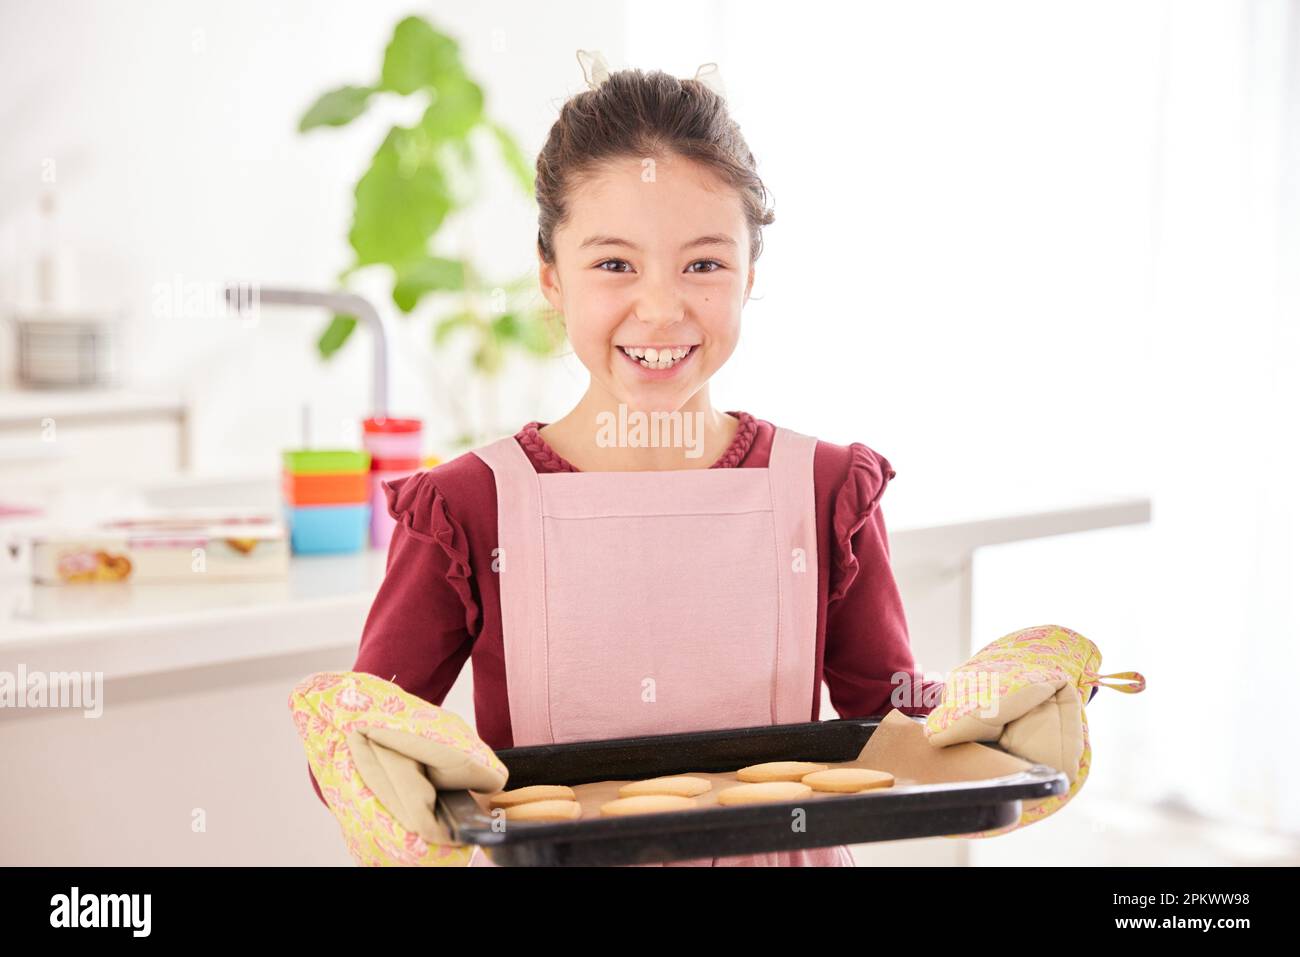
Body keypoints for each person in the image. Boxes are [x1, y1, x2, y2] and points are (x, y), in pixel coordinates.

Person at [288, 52, 1143, 868]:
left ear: (748, 273)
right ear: (551, 277)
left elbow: (892, 721)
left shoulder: (823, 489)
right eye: (614, 263)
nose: (660, 308)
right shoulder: (471, 507)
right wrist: (377, 764)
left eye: (703, 263)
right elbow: (369, 743)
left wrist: (997, 711)